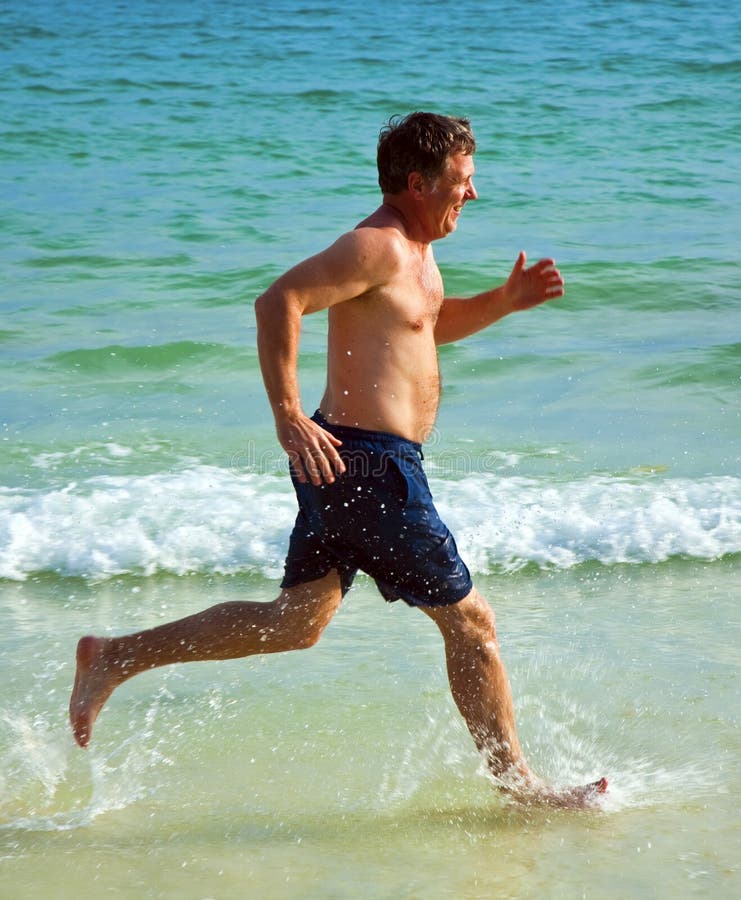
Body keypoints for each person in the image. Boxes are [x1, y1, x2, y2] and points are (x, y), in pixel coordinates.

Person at [70, 112, 607, 808]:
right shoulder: (375, 246)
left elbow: (423, 325)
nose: (471, 195)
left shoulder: (416, 250)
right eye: (461, 182)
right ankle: (521, 789)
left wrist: (503, 303)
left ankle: (116, 655)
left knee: (295, 622)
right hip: (370, 466)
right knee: (471, 623)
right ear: (417, 182)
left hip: (350, 459)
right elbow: (279, 301)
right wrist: (287, 415)